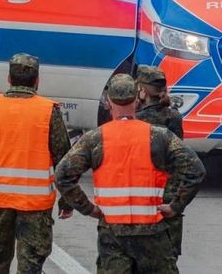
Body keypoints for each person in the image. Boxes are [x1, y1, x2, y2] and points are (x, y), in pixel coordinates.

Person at [54, 74, 206, 274]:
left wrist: (88, 209)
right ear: (136, 100)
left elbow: (63, 175)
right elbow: (195, 170)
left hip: (113, 234)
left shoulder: (95, 139)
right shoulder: (159, 136)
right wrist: (175, 206)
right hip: (152, 232)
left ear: (108, 102)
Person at [0, 53, 72, 274]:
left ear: (9, 80)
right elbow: (64, 161)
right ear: (37, 80)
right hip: (35, 206)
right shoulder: (48, 111)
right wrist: (67, 200)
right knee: (30, 266)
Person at [135, 65, 185, 257]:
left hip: (142, 190)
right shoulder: (174, 117)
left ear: (143, 91)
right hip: (169, 192)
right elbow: (180, 156)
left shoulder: (137, 120)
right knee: (168, 256)